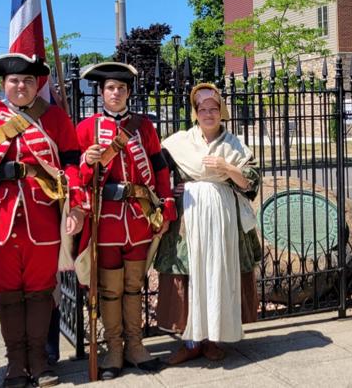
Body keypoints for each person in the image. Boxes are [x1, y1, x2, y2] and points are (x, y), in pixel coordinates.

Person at [0, 53, 86, 388]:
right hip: (0, 217)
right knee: (8, 295)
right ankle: (15, 364)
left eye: (29, 81)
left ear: (37, 85)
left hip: (43, 216)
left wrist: (75, 203)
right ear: (4, 84)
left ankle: (40, 362)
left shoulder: (55, 118)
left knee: (39, 293)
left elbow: (72, 164)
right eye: (15, 81)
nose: (21, 86)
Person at [74, 62, 176, 380]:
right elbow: (78, 180)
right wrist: (88, 163)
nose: (115, 93)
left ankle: (135, 346)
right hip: (106, 221)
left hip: (139, 217)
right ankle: (113, 350)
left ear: (128, 92)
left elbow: (159, 168)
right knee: (110, 290)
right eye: (110, 88)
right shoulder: (86, 129)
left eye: (121, 88)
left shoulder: (143, 126)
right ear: (101, 93)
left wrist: (167, 203)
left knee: (134, 287)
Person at [154, 83, 261, 365]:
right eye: (203, 109)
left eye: (213, 108)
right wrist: (171, 188)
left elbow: (252, 184)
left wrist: (227, 168)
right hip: (188, 221)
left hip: (224, 222)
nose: (209, 114)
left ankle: (213, 339)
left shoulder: (234, 145)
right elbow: (158, 172)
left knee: (218, 273)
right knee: (191, 274)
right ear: (195, 112)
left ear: (222, 111)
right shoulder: (177, 143)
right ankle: (190, 341)